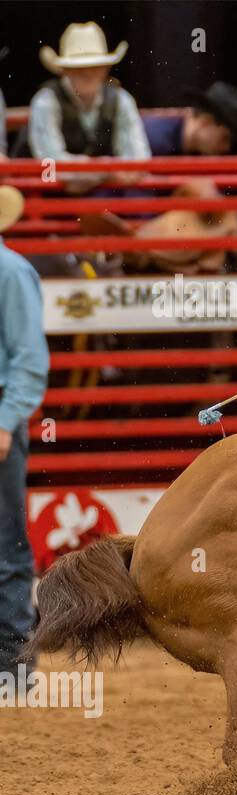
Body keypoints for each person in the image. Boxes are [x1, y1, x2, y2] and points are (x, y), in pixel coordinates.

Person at [0, 186, 49, 682]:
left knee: (5, 540)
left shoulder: (10, 271)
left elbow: (28, 357)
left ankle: (13, 662)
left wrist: (6, 417)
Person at [25, 21, 150, 192]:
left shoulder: (121, 99)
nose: (88, 74)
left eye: (95, 67)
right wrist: (106, 170)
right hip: (54, 197)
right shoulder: (46, 101)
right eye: (79, 68)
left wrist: (88, 174)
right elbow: (50, 165)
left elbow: (138, 159)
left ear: (106, 69)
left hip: (105, 195)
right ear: (65, 70)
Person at [144, 81, 237, 157]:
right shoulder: (152, 139)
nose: (227, 148)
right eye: (225, 138)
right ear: (206, 121)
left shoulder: (181, 146)